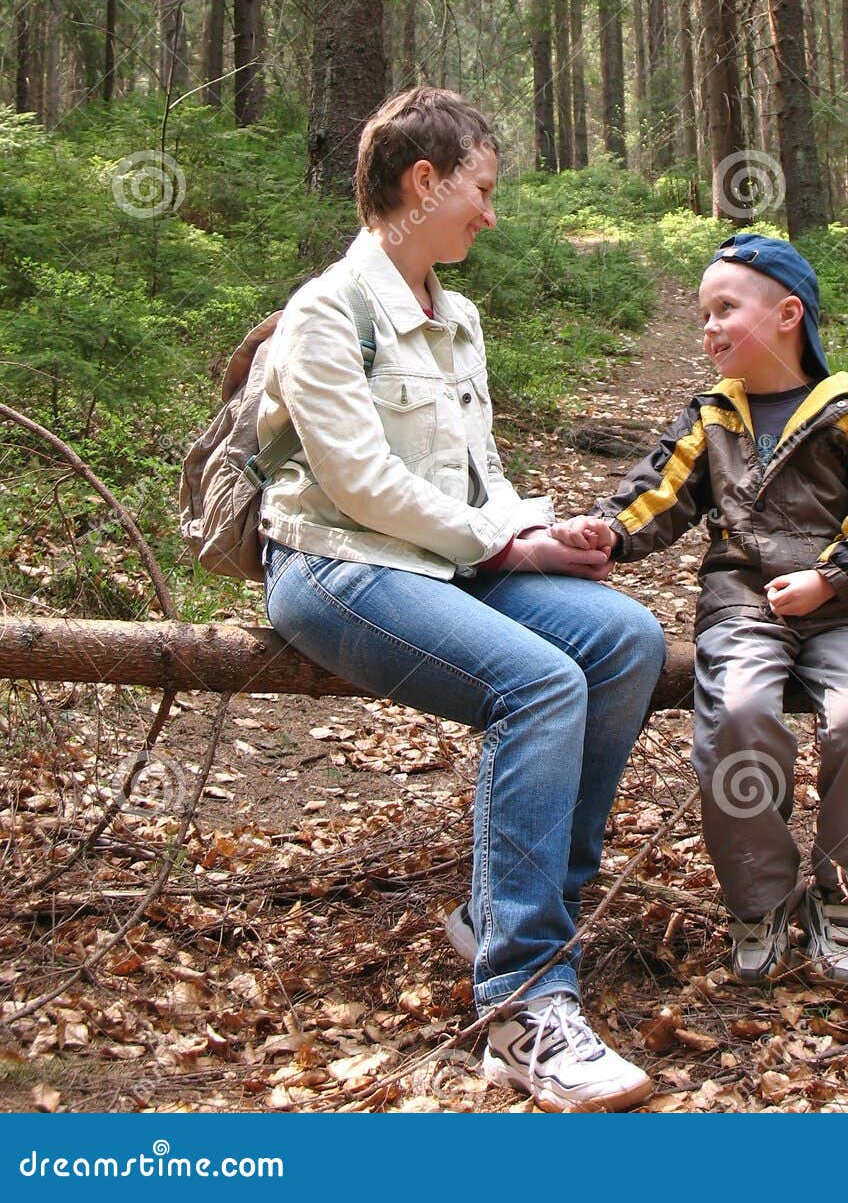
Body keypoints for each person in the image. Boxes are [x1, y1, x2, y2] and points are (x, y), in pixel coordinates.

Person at [257, 87, 664, 1111]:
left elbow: (471, 481)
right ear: (423, 180)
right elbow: (358, 486)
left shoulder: (461, 315)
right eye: (482, 188)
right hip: (336, 567)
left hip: (444, 560)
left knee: (624, 640)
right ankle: (524, 1002)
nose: (491, 212)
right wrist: (504, 539)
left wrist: (538, 526)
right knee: (537, 682)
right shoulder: (325, 313)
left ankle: (514, 918)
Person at [554, 232, 848, 990]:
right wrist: (607, 531)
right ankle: (758, 899)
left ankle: (844, 896)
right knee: (740, 712)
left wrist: (830, 578)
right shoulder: (714, 416)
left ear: (789, 314)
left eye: (726, 308)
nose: (710, 327)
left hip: (842, 609)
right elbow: (660, 489)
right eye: (702, 314)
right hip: (741, 603)